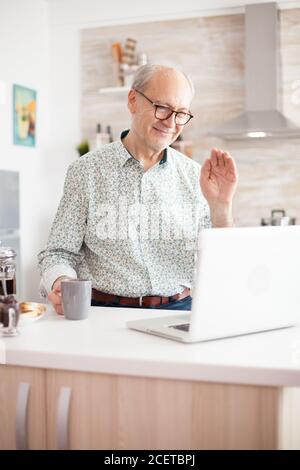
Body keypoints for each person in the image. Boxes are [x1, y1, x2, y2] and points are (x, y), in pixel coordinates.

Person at [38, 64, 238, 315]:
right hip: (103, 313)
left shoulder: (195, 176)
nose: (171, 122)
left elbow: (223, 264)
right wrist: (60, 281)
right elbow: (58, 252)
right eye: (162, 108)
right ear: (133, 100)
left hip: (178, 312)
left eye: (181, 114)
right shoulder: (86, 171)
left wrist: (222, 206)